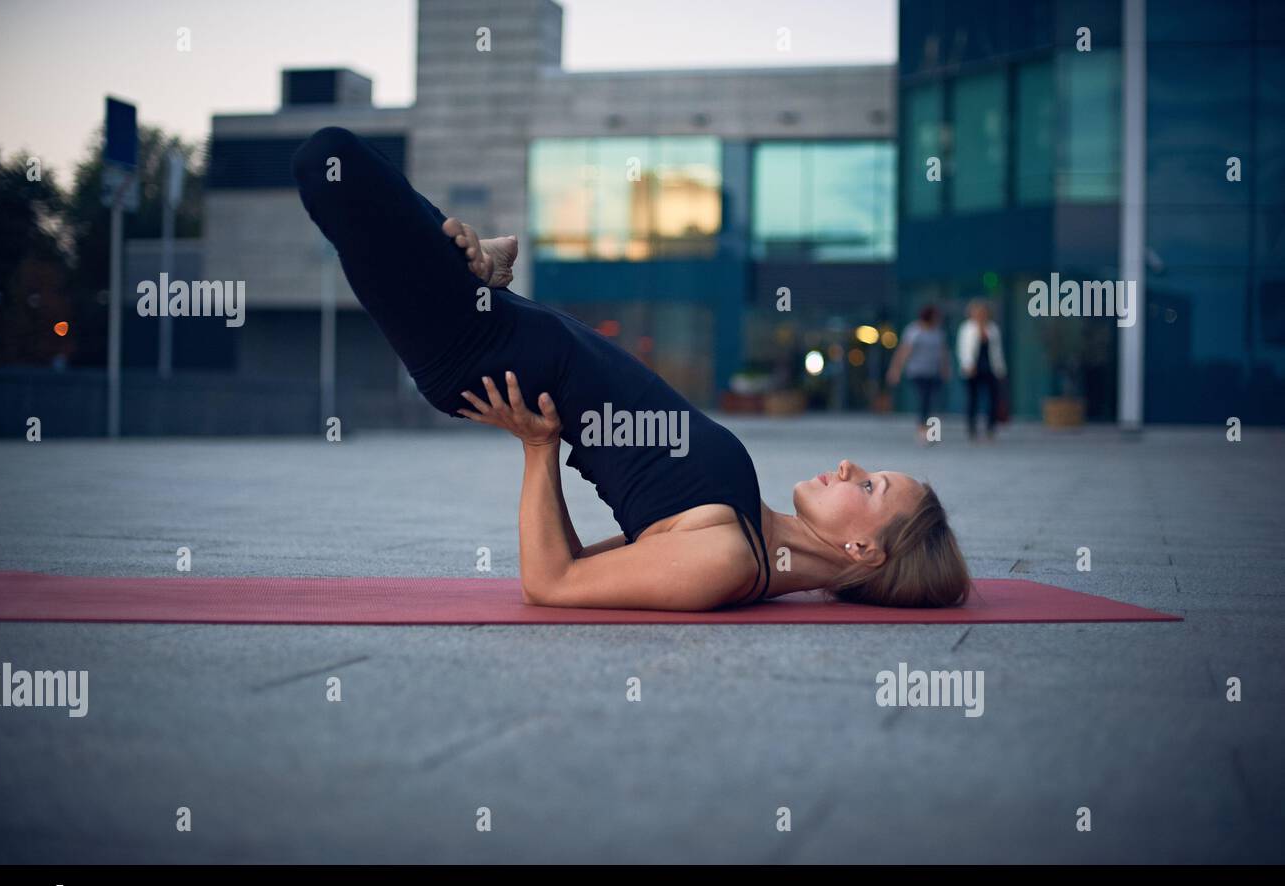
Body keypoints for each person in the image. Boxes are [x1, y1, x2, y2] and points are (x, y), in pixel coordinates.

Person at [292, 127, 970, 610]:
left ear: (864, 550)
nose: (852, 466)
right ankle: (480, 260)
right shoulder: (752, 530)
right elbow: (589, 565)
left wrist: (537, 448)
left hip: (472, 346)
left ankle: (472, 257)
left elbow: (553, 583)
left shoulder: (730, 560)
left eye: (875, 487)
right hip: (506, 319)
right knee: (354, 179)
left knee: (331, 160)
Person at [886, 304, 949, 442]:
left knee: (931, 400)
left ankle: (930, 429)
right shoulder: (914, 331)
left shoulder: (938, 332)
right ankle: (922, 429)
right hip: (917, 371)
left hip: (933, 371)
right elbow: (904, 351)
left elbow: (943, 352)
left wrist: (945, 368)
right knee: (923, 398)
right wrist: (896, 369)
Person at [955, 299, 1006, 440]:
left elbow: (997, 351)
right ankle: (972, 428)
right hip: (973, 368)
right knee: (972, 399)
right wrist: (967, 364)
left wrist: (1001, 369)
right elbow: (963, 349)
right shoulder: (967, 328)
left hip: (990, 367)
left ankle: (991, 427)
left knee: (992, 399)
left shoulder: (993, 329)